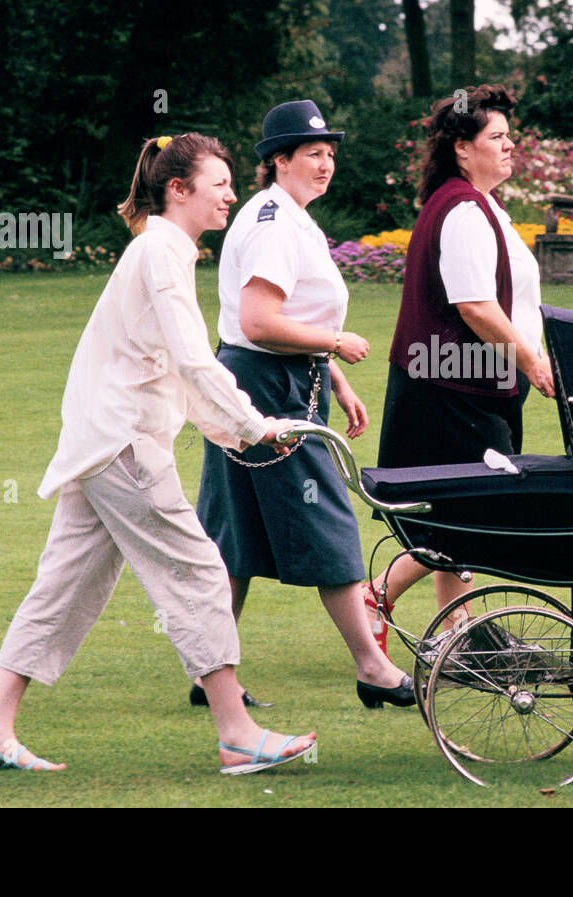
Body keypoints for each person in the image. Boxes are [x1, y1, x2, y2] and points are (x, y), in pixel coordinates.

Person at [0, 133, 316, 776]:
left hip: (103, 443)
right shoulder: (160, 250)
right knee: (200, 573)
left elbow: (181, 373)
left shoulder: (161, 251)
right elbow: (193, 359)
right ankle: (237, 734)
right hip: (122, 444)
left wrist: (242, 429)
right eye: (219, 185)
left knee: (63, 589)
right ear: (178, 190)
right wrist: (254, 423)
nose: (232, 195)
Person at [193, 100, 414, 709]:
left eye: (330, 154)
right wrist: (336, 345)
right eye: (312, 153)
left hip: (268, 379)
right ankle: (373, 668)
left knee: (235, 536)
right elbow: (259, 322)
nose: (325, 164)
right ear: (278, 161)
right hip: (264, 386)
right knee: (329, 522)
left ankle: (208, 671)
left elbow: (282, 319)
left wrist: (333, 377)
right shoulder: (272, 220)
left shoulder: (287, 215)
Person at [365, 84, 555, 648]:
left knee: (458, 506)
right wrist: (534, 363)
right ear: (462, 149)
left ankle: (460, 630)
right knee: (478, 508)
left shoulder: (477, 204)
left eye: (510, 137)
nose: (510, 146)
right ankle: (374, 595)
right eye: (497, 137)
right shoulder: (463, 210)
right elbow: (475, 306)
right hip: (453, 385)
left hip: (467, 381)